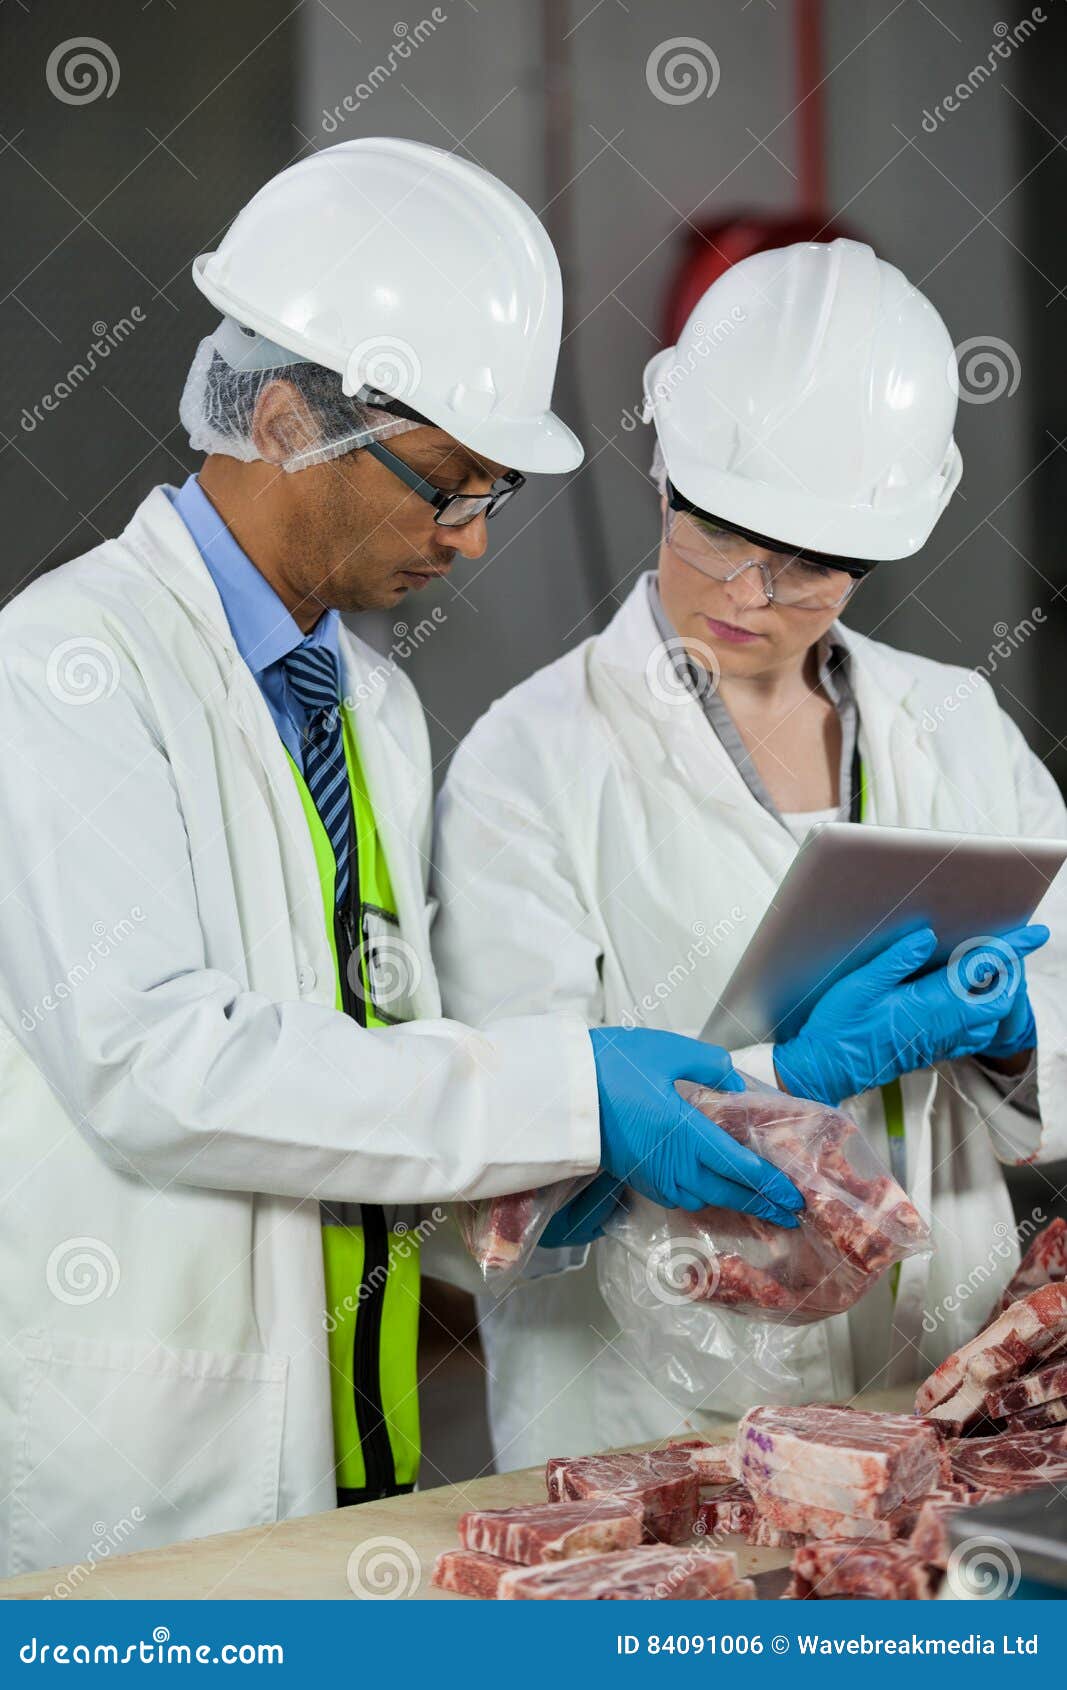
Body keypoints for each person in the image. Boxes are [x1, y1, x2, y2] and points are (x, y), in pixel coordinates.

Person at [0, 138, 807, 1577]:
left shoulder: (368, 703)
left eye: (491, 493)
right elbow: (153, 1064)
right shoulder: (66, 668)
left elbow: (369, 1049)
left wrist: (552, 1173)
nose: (472, 542)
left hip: (358, 1441)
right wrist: (562, 1090)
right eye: (446, 485)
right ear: (293, 415)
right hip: (148, 1472)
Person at [432, 237, 1067, 1469]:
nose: (753, 588)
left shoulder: (953, 724)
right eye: (720, 531)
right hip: (648, 1415)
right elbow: (493, 1173)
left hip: (943, 1384)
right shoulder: (532, 758)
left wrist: (1016, 1032)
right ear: (665, 470)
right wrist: (782, 1076)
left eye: (813, 560)